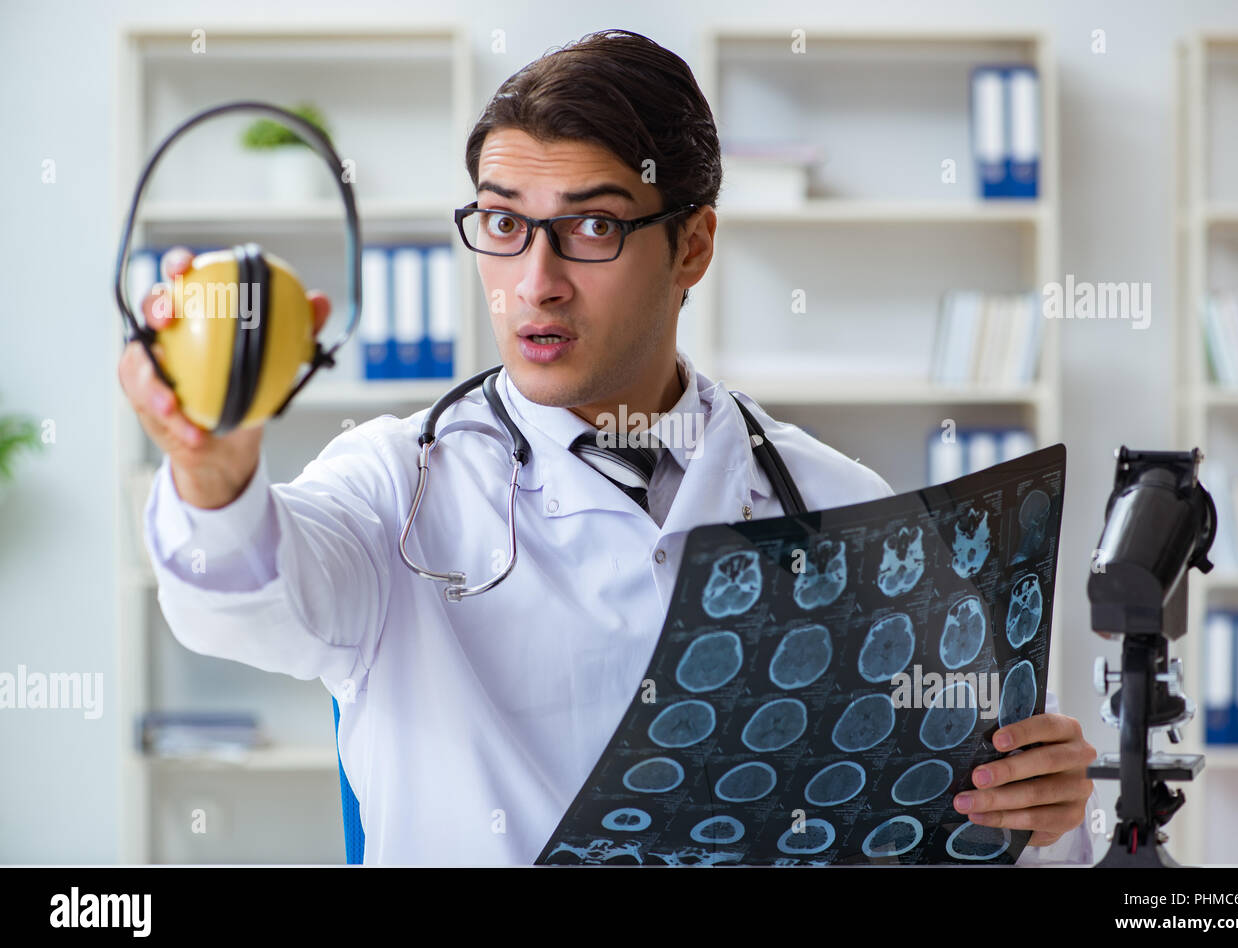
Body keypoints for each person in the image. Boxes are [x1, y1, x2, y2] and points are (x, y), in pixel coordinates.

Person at [118, 28, 1099, 866]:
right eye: (503, 223)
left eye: (590, 226)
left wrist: (1042, 808)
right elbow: (242, 604)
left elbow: (974, 807)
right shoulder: (397, 484)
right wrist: (211, 471)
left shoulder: (836, 503)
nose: (535, 282)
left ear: (694, 246)